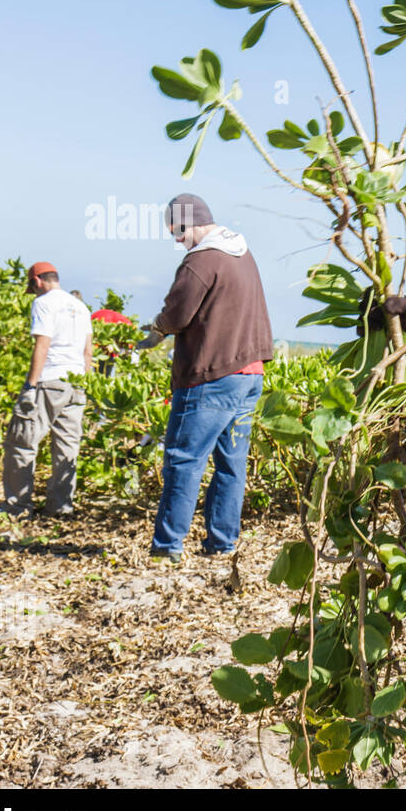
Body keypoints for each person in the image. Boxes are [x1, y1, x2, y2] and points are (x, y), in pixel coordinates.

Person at [140, 193, 273, 563]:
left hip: (212, 374)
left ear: (191, 222)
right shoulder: (242, 254)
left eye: (177, 231)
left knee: (184, 459)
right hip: (249, 374)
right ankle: (221, 543)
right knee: (231, 464)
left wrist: (157, 329)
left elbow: (179, 312)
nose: (177, 240)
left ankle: (167, 548)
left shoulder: (202, 260)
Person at [1, 262, 94, 517]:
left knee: (22, 442)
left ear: (38, 281)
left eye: (33, 287)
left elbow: (42, 345)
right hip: (76, 384)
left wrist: (30, 385)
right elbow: (88, 351)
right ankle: (61, 507)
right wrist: (85, 384)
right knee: (67, 447)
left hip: (49, 381)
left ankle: (17, 506)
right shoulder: (80, 306)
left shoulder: (44, 303)